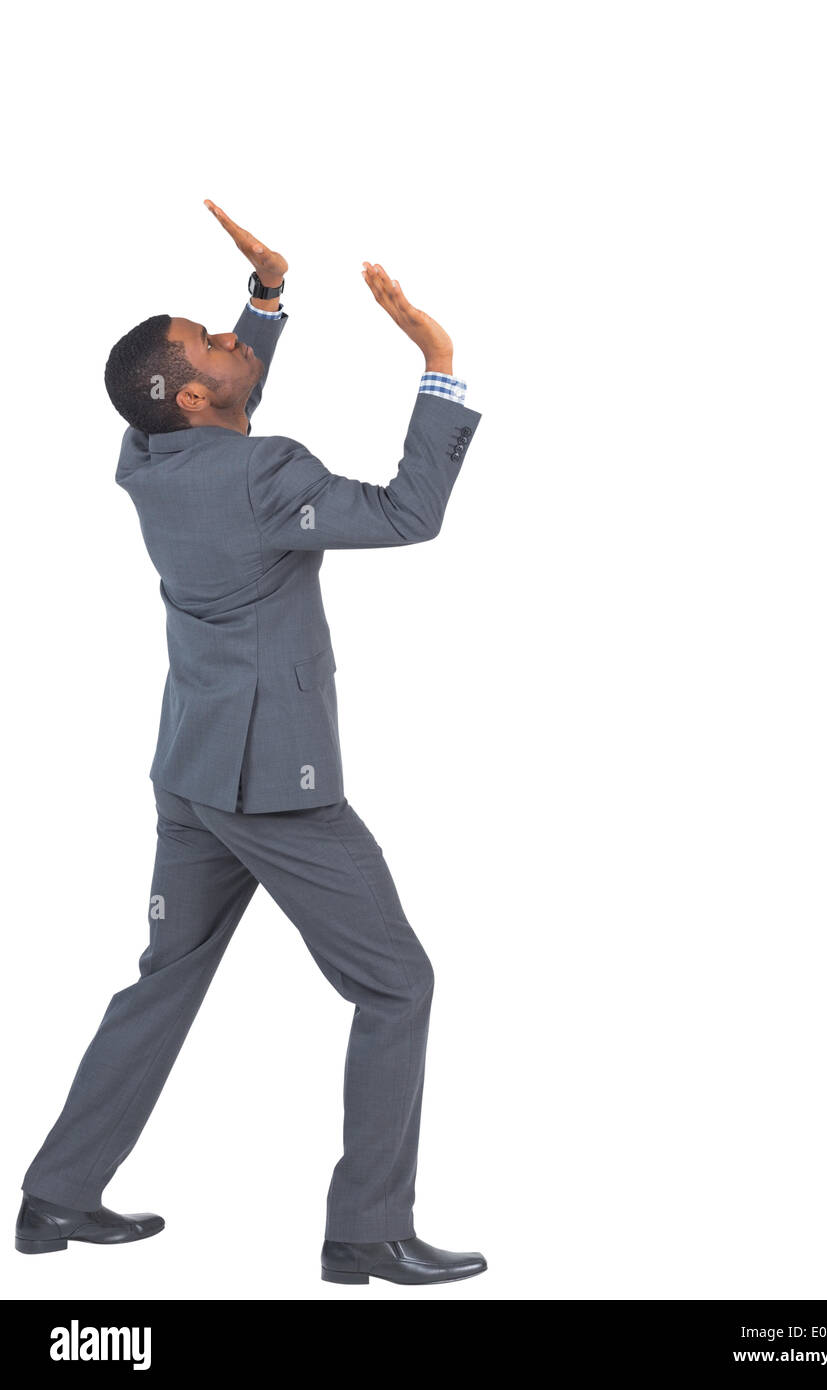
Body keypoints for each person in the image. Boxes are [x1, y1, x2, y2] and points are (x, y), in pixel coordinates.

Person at [15, 201, 488, 1288]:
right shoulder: (261, 475)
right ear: (192, 395)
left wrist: (264, 299)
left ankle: (56, 1197)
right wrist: (438, 361)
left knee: (164, 978)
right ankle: (366, 1231)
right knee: (398, 983)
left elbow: (212, 399)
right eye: (216, 343)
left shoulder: (145, 452)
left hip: (191, 772)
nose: (234, 348)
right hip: (277, 785)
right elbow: (410, 512)